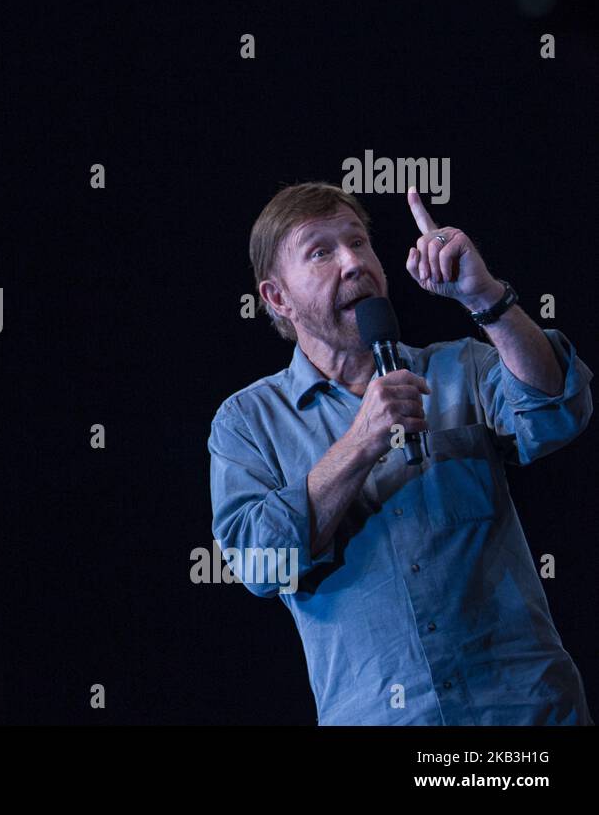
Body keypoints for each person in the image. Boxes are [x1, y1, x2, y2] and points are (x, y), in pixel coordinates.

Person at [208, 181, 593, 724]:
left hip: (524, 716)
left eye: (359, 242)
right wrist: (360, 442)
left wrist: (486, 299)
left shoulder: (459, 367)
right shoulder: (247, 423)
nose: (353, 263)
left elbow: (558, 411)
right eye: (321, 251)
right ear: (276, 297)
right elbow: (255, 562)